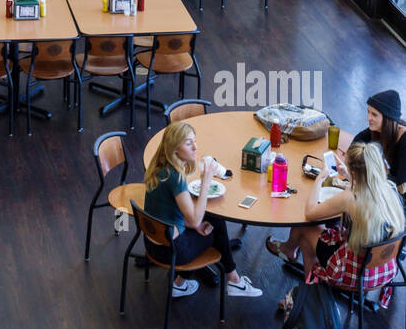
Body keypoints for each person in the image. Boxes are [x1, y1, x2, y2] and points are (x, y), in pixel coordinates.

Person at [143, 120, 262, 297]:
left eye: (194, 141)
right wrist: (206, 180)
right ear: (175, 148)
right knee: (216, 229)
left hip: (153, 241)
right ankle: (234, 281)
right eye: (188, 143)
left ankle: (186, 283)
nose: (195, 147)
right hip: (172, 251)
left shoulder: (159, 168)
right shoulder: (175, 177)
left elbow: (167, 213)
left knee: (211, 220)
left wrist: (194, 226)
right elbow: (195, 219)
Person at [267, 142, 405, 295]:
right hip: (385, 267)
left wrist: (320, 178)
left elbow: (310, 212)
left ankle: (311, 300)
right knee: (318, 232)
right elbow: (366, 189)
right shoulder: (390, 188)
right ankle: (290, 250)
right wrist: (348, 173)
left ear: (355, 173)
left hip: (356, 274)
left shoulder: (350, 198)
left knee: (306, 230)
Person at [352, 89, 406, 193]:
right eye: (368, 112)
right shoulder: (379, 129)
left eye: (374, 114)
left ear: (387, 119)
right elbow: (356, 143)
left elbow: (400, 186)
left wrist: (370, 171)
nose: (368, 118)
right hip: (382, 189)